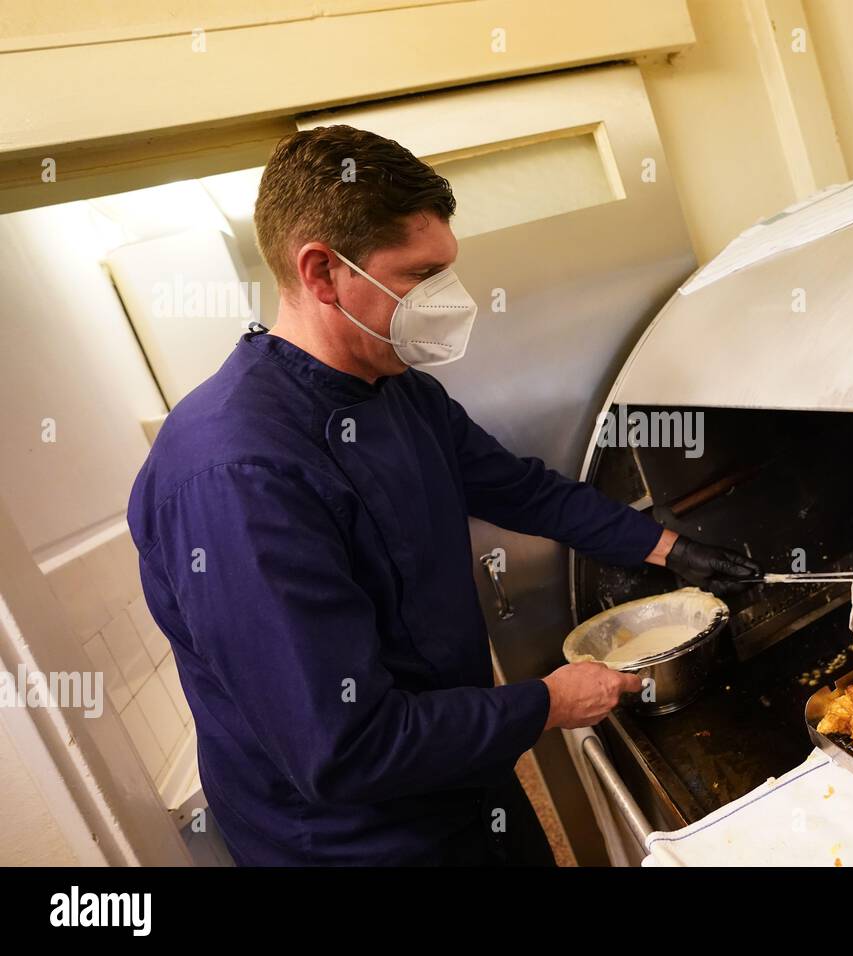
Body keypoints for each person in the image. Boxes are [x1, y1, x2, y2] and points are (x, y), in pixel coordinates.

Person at [126, 125, 759, 865]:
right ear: (322, 272)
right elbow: (343, 748)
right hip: (357, 844)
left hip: (460, 778)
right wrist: (546, 703)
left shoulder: (398, 391)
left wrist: (671, 548)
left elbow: (519, 489)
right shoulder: (237, 476)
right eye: (419, 275)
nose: (447, 299)